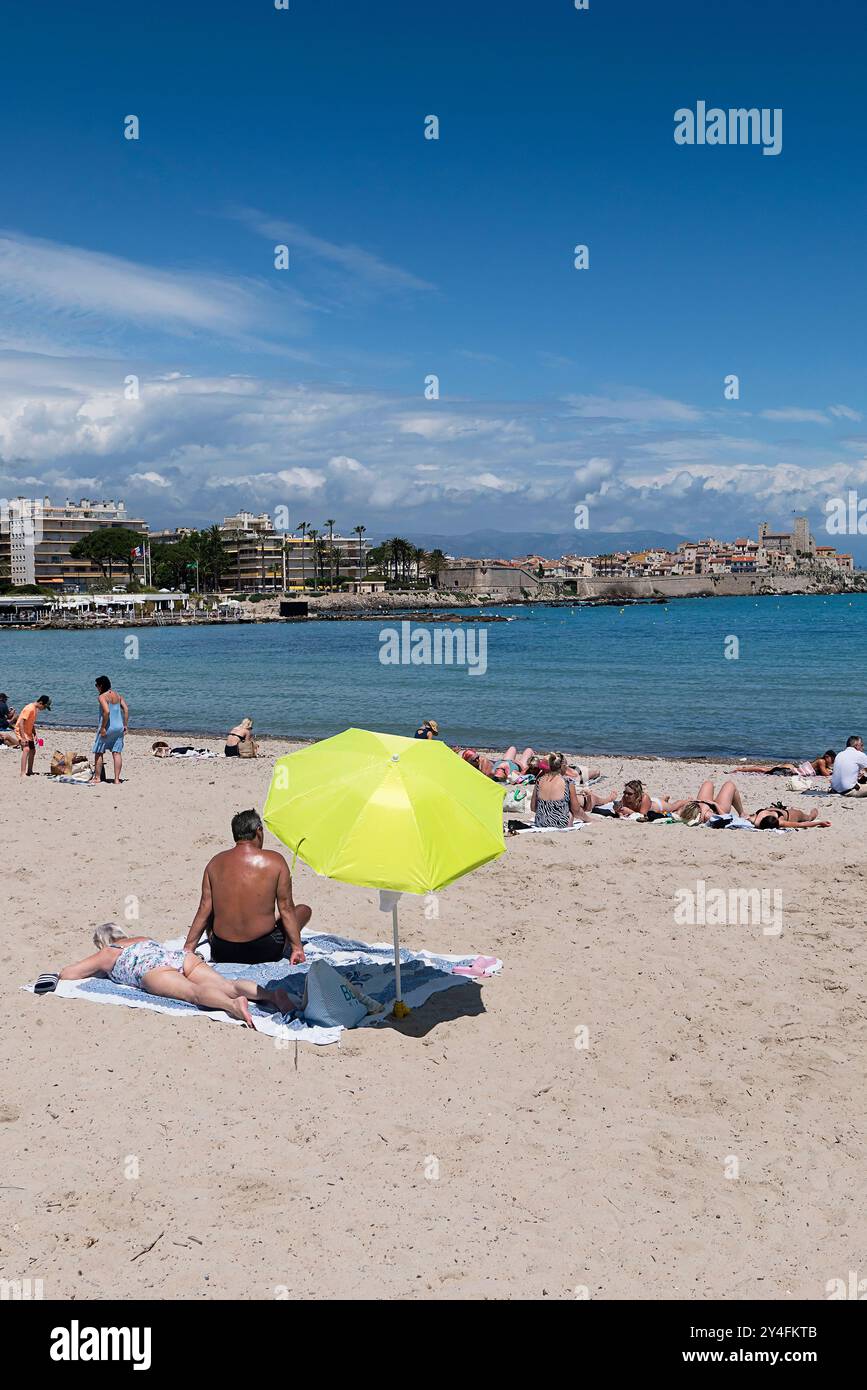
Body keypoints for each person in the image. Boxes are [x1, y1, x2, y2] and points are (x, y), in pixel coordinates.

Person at [59, 924, 298, 1029]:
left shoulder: (108, 953)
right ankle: (270, 995)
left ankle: (232, 1005)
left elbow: (69, 973)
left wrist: (100, 964)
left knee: (193, 993)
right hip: (181, 957)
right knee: (227, 984)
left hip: (152, 970)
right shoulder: (142, 938)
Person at [183, 809, 311, 965]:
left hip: (222, 951)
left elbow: (204, 908)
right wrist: (297, 948)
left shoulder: (215, 863)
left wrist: (188, 948)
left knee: (211, 909)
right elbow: (286, 908)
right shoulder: (275, 861)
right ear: (259, 831)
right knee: (303, 910)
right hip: (263, 950)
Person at [530, 752, 596, 828]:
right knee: (570, 811)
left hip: (540, 822)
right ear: (562, 766)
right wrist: (589, 820)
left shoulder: (539, 780)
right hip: (561, 823)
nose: (567, 767)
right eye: (566, 765)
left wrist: (547, 811)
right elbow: (576, 811)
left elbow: (533, 807)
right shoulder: (568, 782)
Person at [90, 676, 129, 785]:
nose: (96, 687)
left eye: (96, 685)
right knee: (116, 753)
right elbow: (126, 709)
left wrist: (102, 727)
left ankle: (97, 778)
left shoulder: (102, 697)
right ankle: (117, 779)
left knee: (99, 752)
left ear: (101, 685)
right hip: (119, 727)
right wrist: (125, 725)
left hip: (108, 727)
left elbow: (106, 712)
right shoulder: (117, 695)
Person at [665, 779, 745, 824]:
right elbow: (726, 818)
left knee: (708, 783)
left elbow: (671, 812)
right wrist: (715, 805)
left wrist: (689, 800)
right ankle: (742, 813)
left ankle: (709, 800)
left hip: (702, 802)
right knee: (730, 785)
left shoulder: (682, 811)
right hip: (717, 808)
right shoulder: (707, 815)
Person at [15, 694, 51, 777]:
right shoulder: (29, 708)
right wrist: (23, 738)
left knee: (33, 751)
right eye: (45, 707)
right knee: (26, 749)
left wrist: (34, 734)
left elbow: (31, 723)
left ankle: (30, 771)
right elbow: (21, 723)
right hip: (21, 731)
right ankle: (22, 772)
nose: (44, 709)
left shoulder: (35, 709)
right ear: (41, 703)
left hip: (28, 732)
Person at [734, 751, 836, 777]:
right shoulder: (821, 761)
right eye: (832, 760)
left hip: (792, 769)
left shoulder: (820, 763)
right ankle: (741, 769)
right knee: (764, 770)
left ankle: (743, 768)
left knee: (766, 769)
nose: (832, 763)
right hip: (791, 770)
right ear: (827, 757)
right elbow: (825, 774)